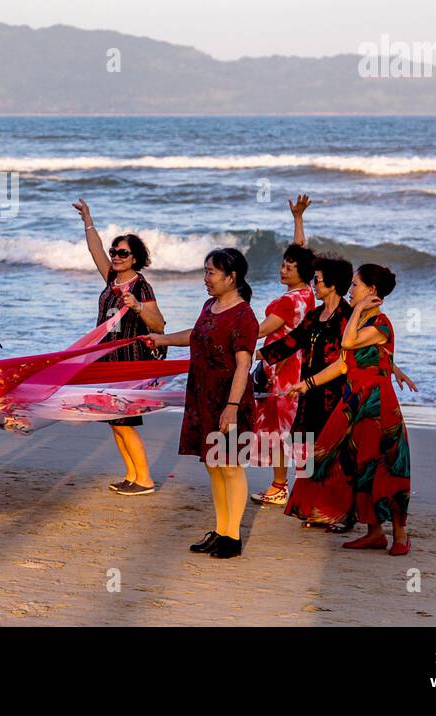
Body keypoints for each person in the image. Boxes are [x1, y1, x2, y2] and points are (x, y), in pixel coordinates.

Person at [286, 265, 412, 555]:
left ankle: (401, 536)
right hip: (353, 400)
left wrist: (355, 312)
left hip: (377, 403)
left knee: (387, 465)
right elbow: (343, 364)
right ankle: (374, 532)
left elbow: (348, 342)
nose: (351, 290)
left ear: (371, 291)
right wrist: (307, 384)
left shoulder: (380, 324)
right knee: (355, 463)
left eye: (356, 285)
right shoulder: (362, 321)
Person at [147, 248, 258, 558]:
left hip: (228, 399)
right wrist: (162, 339)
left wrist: (232, 407)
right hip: (201, 397)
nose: (206, 278)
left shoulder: (244, 315)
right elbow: (195, 335)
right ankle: (221, 529)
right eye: (206, 271)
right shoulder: (210, 306)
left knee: (230, 466)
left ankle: (232, 538)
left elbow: (243, 365)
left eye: (211, 272)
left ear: (231, 277)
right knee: (213, 465)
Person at [73, 199, 167, 496]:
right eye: (115, 251)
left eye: (122, 253)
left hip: (129, 362)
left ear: (135, 259)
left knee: (124, 421)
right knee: (113, 421)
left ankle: (145, 480)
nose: (115, 256)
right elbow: (95, 250)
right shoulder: (111, 279)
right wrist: (88, 220)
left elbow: (160, 324)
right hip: (107, 359)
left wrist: (138, 307)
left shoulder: (141, 287)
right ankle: (131, 475)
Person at [248, 195, 317, 506]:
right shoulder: (308, 294)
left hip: (283, 369)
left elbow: (263, 329)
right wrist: (298, 220)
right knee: (298, 430)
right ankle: (300, 489)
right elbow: (302, 253)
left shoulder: (289, 301)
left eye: (288, 267)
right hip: (300, 365)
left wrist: (234, 335)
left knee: (282, 429)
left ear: (300, 272)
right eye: (283, 264)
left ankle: (281, 487)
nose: (283, 269)